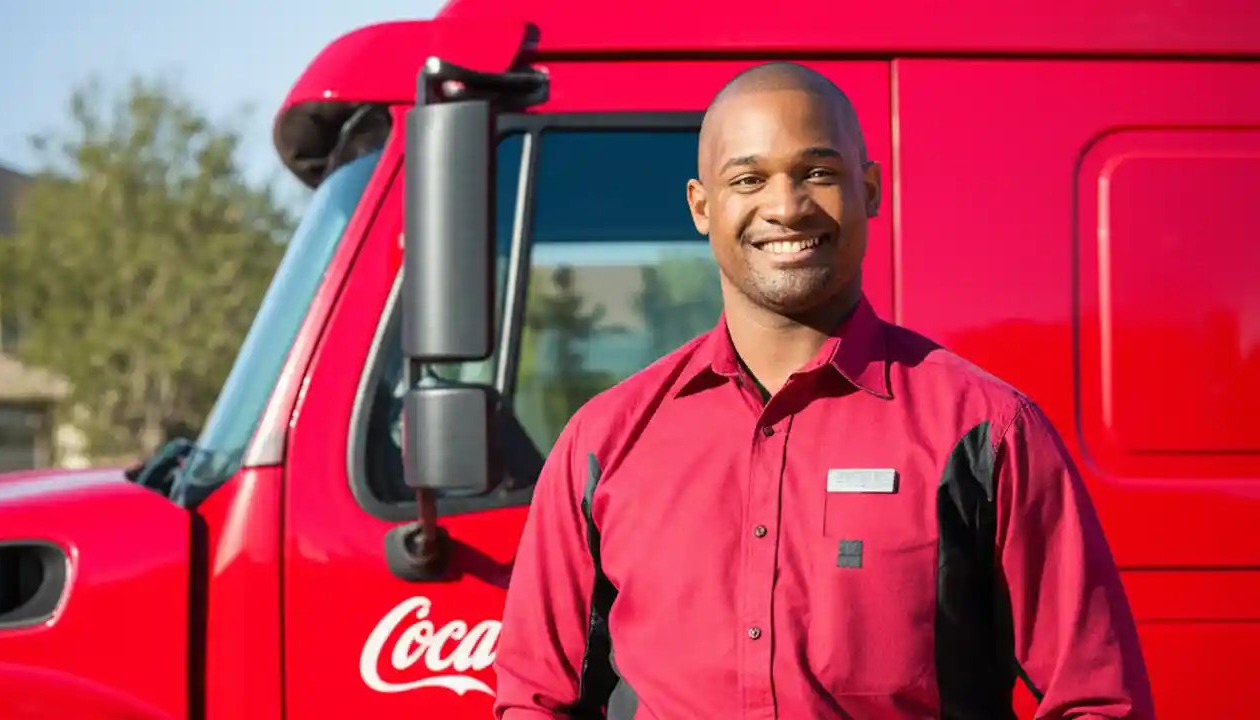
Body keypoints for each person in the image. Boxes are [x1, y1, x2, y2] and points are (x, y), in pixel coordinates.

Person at [492, 61, 1154, 719]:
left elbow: (1096, 702)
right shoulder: (603, 442)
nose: (785, 207)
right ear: (702, 206)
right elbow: (535, 702)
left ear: (868, 189)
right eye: (749, 179)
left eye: (818, 173)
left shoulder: (988, 432)